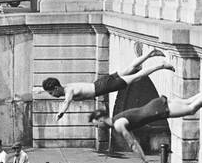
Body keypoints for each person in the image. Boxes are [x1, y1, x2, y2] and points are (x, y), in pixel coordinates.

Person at [91, 81, 202, 163]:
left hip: (158, 111)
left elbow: (133, 143)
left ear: (101, 119)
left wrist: (144, 160)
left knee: (191, 109)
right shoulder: (117, 119)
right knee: (188, 101)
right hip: (156, 104)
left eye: (97, 124)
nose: (98, 127)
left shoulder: (118, 124)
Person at [40, 47, 174, 122]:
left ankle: (162, 65)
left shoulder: (69, 92)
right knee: (130, 68)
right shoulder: (67, 86)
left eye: (52, 93)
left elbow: (66, 102)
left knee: (137, 76)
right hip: (101, 82)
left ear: (56, 88)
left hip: (104, 87)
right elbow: (57, 93)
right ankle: (150, 53)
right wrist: (39, 90)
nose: (53, 95)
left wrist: (60, 113)